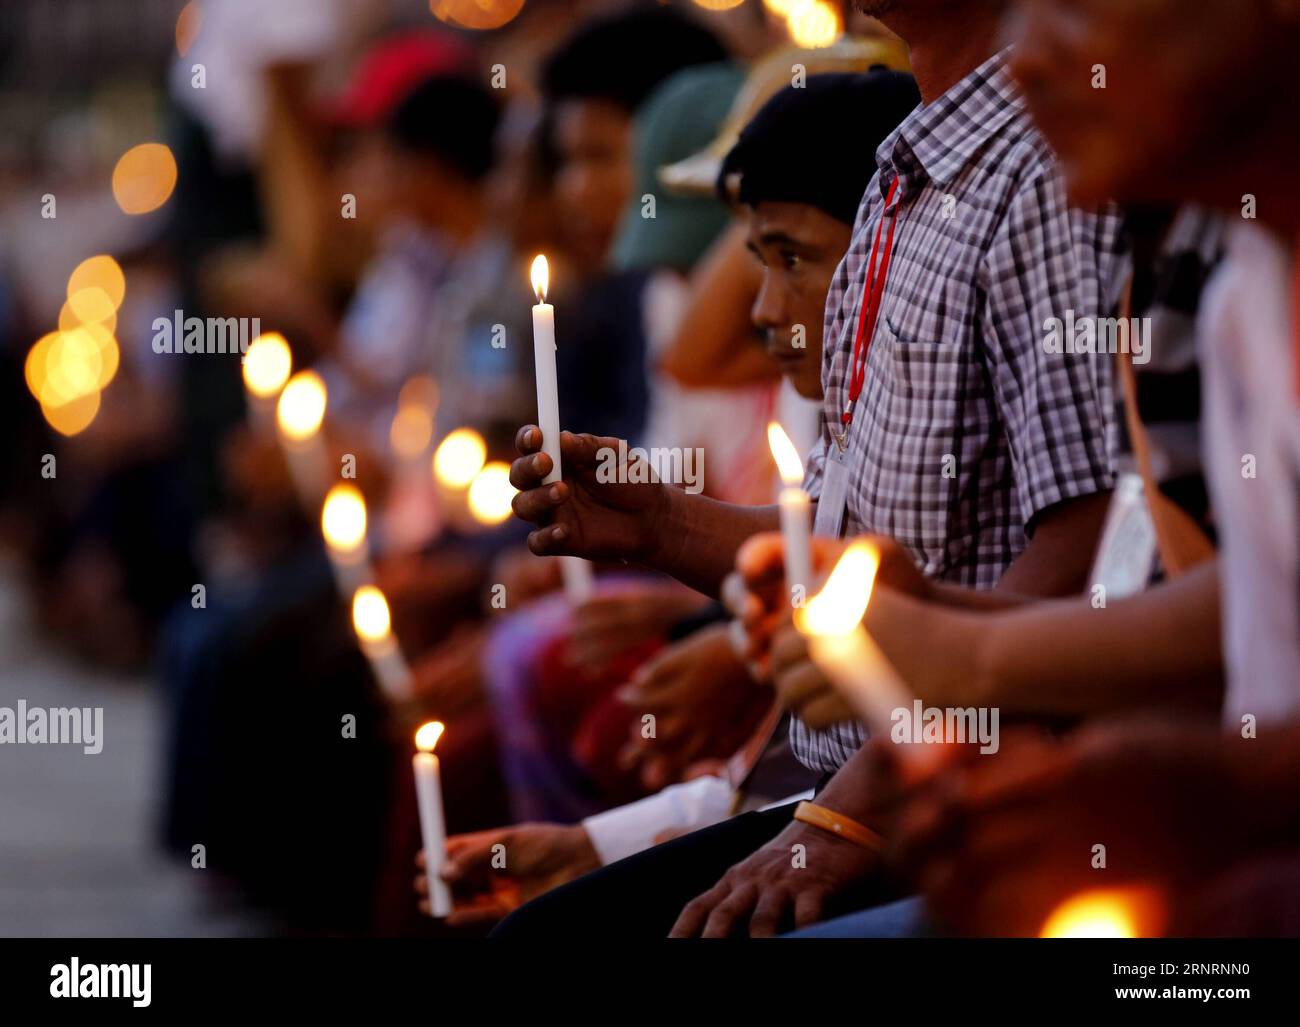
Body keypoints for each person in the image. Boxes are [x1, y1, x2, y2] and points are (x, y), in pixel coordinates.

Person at [501, 0, 1123, 938]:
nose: (764, 308)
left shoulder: (1038, 169)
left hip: (965, 793)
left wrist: (845, 818)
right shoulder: (903, 172)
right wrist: (663, 524)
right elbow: (842, 543)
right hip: (852, 782)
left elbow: (1087, 553)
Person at [416, 68, 922, 924]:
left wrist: (731, 639)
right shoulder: (827, 376)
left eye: (786, 254)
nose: (758, 306)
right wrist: (657, 527)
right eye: (741, 245)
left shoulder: (850, 363)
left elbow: (905, 679)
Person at [885, 0, 1300, 938]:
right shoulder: (1246, 292)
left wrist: (1229, 786)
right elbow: (1258, 625)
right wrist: (946, 626)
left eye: (1072, 4)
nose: (1024, 60)